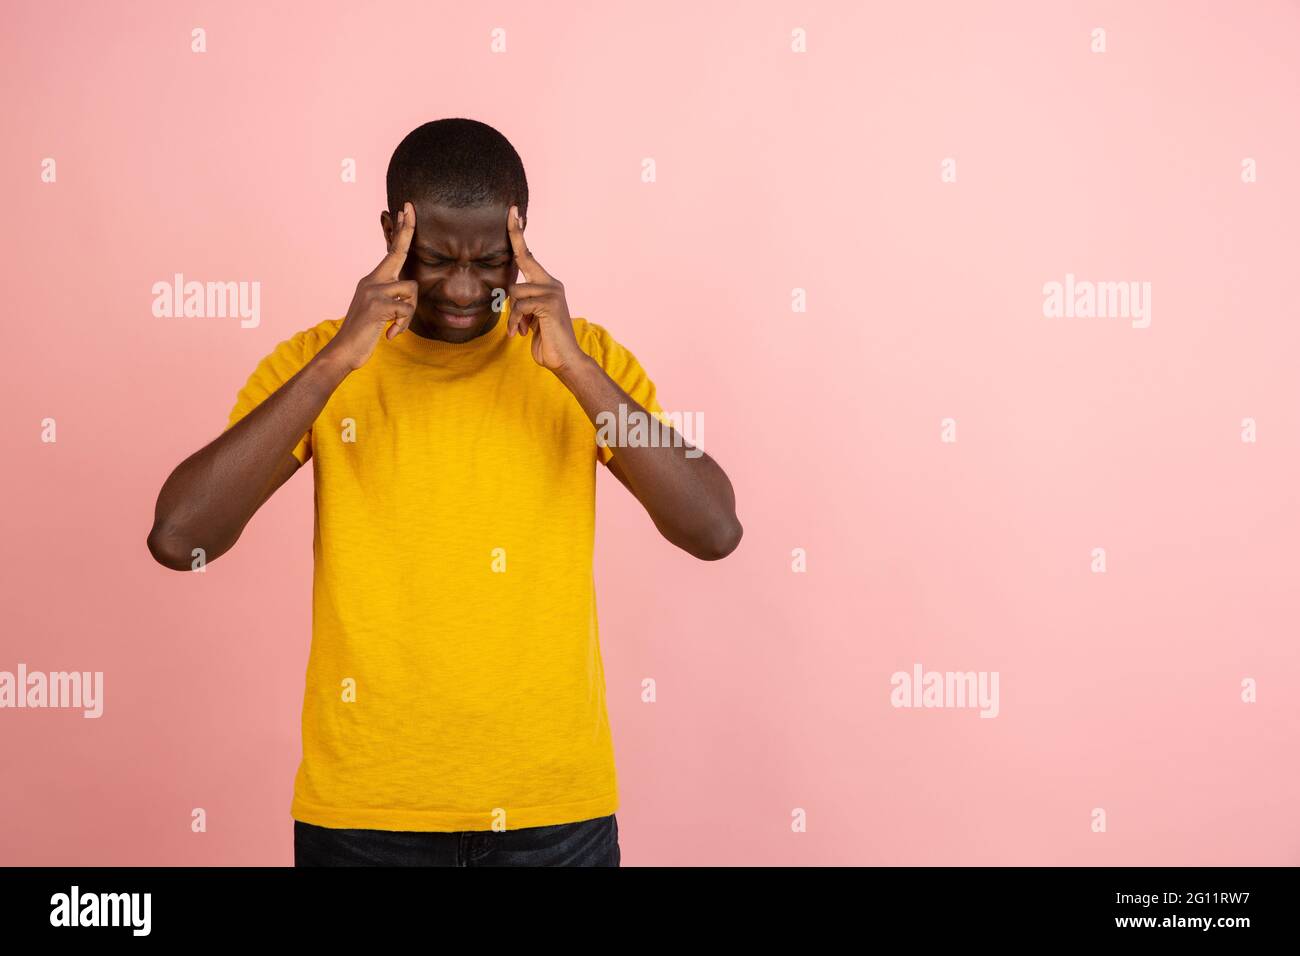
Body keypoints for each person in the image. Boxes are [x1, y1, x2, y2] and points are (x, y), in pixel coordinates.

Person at [147, 118, 742, 867]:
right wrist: (337, 361)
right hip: (365, 817)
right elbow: (180, 539)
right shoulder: (321, 362)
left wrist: (577, 371)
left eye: (491, 262)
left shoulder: (583, 360)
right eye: (434, 259)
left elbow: (713, 528)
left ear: (522, 240)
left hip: (553, 813)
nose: (463, 289)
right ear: (391, 233)